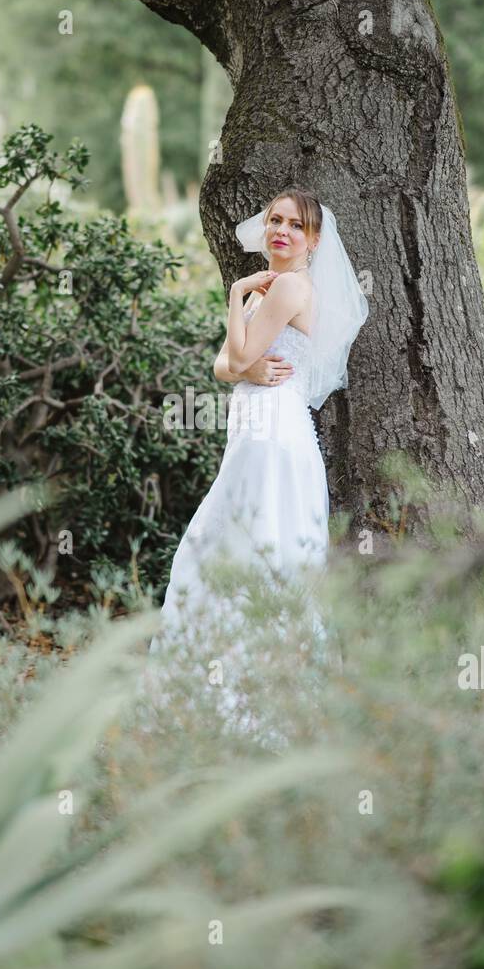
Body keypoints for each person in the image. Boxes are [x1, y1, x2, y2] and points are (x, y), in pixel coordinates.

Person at [147, 188, 368, 711]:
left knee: (257, 553)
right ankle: (220, 695)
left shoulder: (288, 289)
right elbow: (223, 367)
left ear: (312, 240)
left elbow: (239, 353)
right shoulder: (266, 292)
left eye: (295, 225)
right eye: (275, 220)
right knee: (229, 549)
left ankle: (264, 704)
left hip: (272, 435)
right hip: (253, 429)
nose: (281, 231)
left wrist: (235, 295)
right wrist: (243, 355)